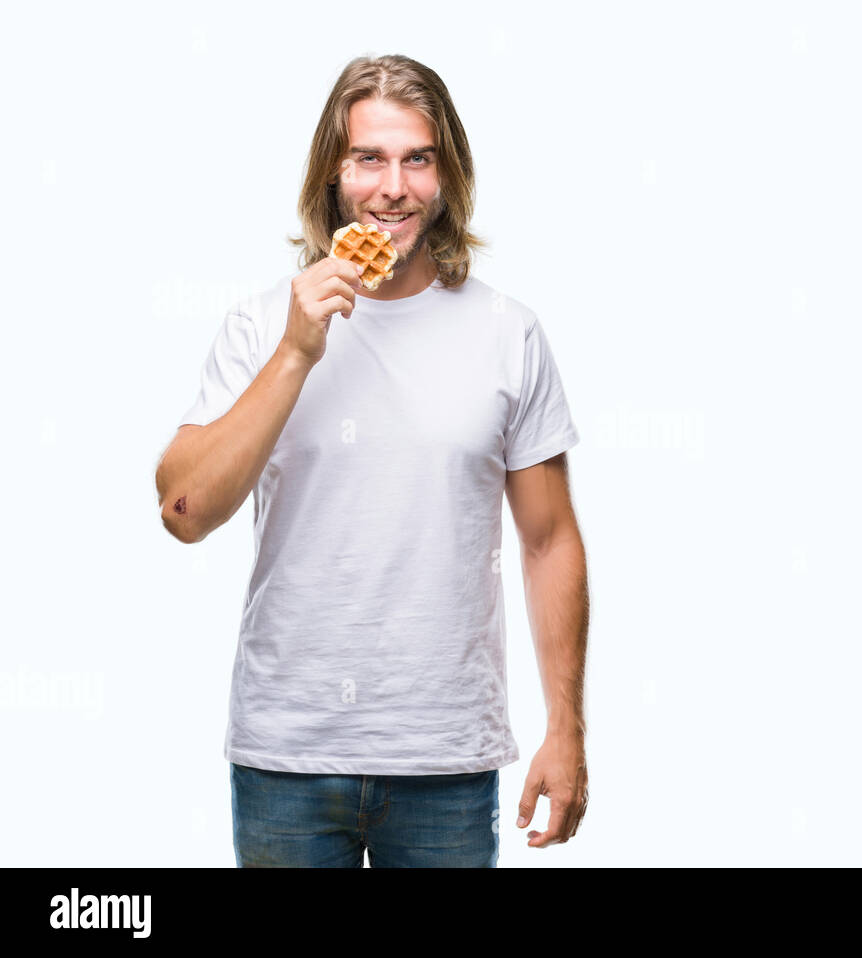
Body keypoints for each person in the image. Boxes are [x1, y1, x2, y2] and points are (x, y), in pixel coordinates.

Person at [154, 54, 589, 867]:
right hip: (287, 759)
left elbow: (549, 540)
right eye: (368, 159)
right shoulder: (258, 327)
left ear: (447, 175)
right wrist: (296, 352)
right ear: (332, 175)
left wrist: (566, 731)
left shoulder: (508, 333)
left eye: (416, 159)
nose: (393, 187)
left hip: (445, 763)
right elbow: (184, 512)